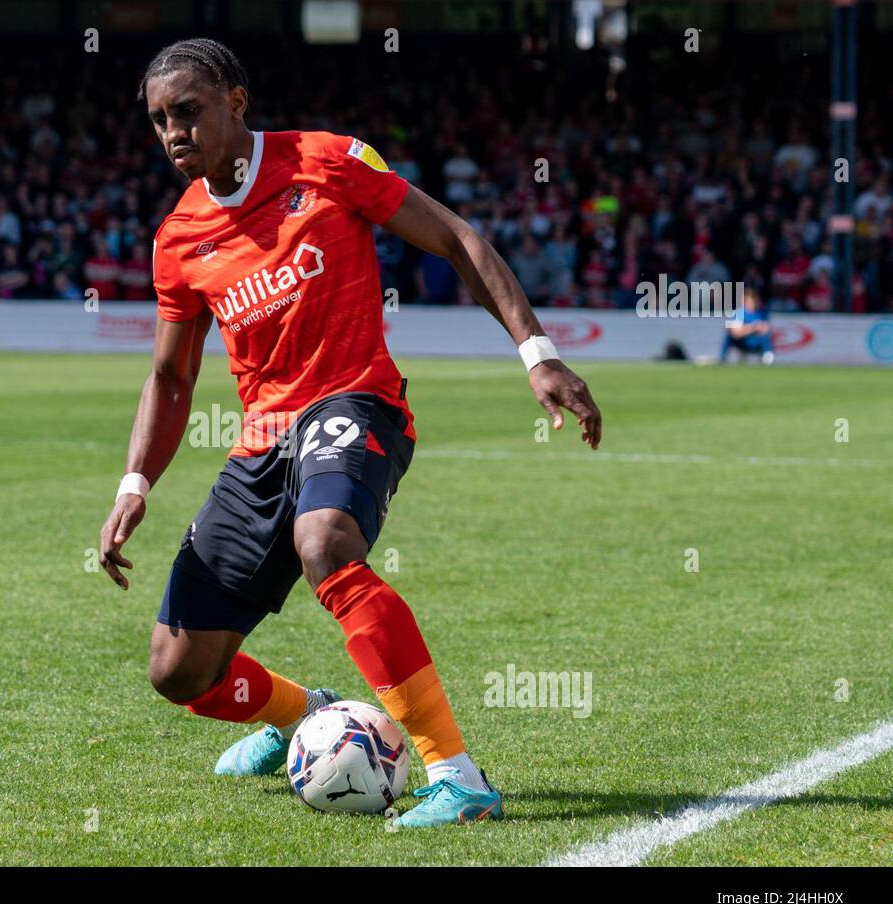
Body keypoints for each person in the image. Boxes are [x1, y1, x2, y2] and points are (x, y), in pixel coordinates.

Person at [97, 38, 602, 829]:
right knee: (177, 671)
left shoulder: (325, 161)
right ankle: (304, 713)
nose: (173, 133)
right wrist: (133, 485)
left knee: (326, 541)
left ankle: (458, 776)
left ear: (236, 101)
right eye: (159, 120)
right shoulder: (178, 239)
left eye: (188, 112)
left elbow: (456, 239)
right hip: (260, 442)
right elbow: (170, 379)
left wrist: (538, 355)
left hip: (354, 402)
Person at [720, 286, 775, 364]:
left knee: (765, 336)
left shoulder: (762, 313)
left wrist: (745, 329)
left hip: (756, 342)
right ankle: (722, 359)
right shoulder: (739, 312)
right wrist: (753, 328)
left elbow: (765, 329)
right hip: (743, 342)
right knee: (728, 336)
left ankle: (768, 358)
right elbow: (736, 332)